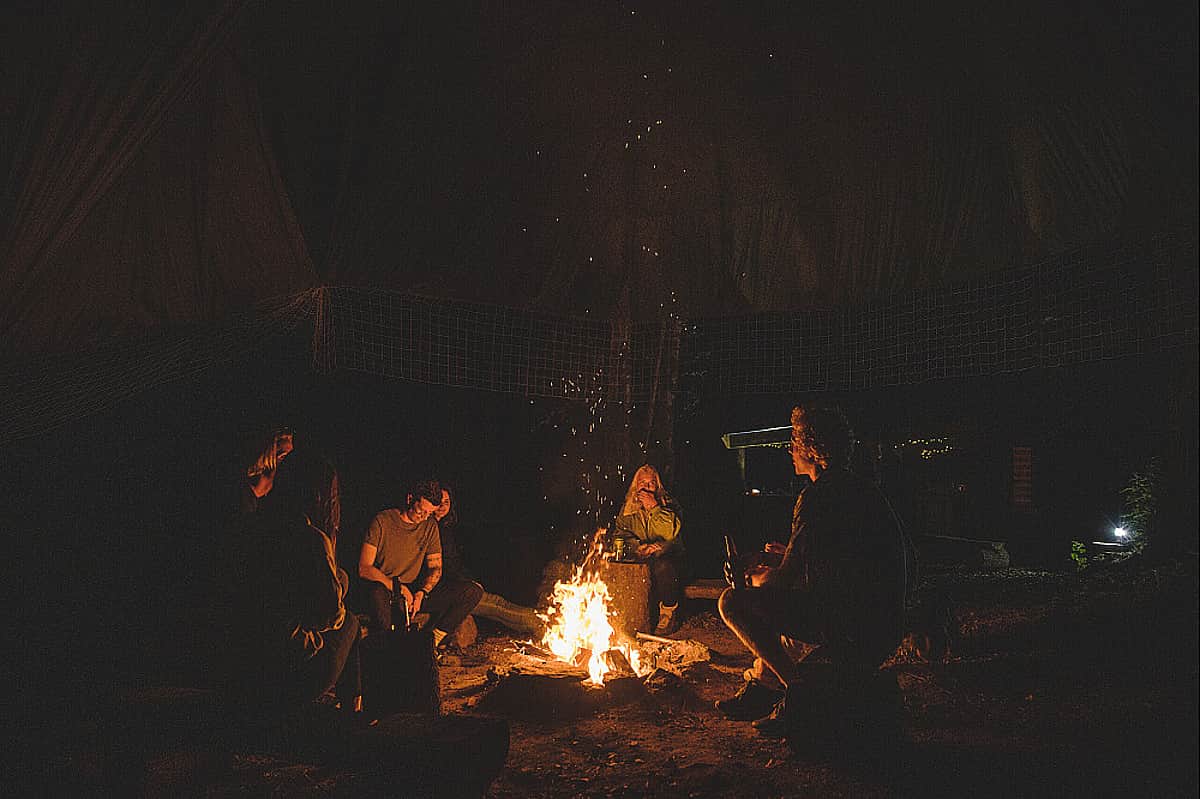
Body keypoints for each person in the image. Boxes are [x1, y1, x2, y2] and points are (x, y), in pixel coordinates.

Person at [715, 404, 908, 738]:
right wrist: (783, 558)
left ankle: (800, 693)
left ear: (812, 449)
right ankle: (772, 688)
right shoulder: (863, 490)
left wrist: (753, 579)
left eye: (794, 442)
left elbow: (790, 579)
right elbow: (836, 564)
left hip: (851, 627)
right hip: (883, 620)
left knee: (733, 601)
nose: (790, 450)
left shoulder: (817, 497)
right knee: (772, 597)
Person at [226, 449, 361, 714]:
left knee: (340, 579)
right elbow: (331, 618)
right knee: (352, 622)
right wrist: (338, 596)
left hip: (245, 666)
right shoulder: (311, 539)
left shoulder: (252, 526)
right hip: (292, 676)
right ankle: (352, 708)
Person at [358, 479, 482, 649]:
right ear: (410, 499)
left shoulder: (429, 525)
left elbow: (435, 567)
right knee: (377, 595)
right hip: (385, 587)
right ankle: (388, 648)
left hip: (413, 589)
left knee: (472, 591)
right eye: (421, 511)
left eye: (429, 514)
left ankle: (432, 640)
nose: (424, 518)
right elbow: (364, 568)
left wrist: (422, 592)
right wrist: (397, 588)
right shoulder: (383, 521)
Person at [434, 485, 542, 637]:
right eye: (438, 501)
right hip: (448, 590)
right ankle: (544, 622)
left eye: (446, 502)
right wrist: (467, 585)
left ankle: (541, 624)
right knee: (497, 606)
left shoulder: (444, 528)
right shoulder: (430, 529)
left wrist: (469, 581)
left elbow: (454, 563)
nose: (442, 506)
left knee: (498, 605)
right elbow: (444, 567)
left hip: (458, 584)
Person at [613, 464, 684, 635]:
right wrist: (637, 547)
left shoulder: (669, 504)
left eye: (651, 482)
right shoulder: (628, 509)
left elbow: (671, 533)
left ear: (657, 485)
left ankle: (668, 612)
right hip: (641, 558)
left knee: (663, 566)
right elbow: (620, 534)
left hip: (668, 559)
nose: (646, 486)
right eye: (642, 482)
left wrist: (654, 508)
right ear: (636, 486)